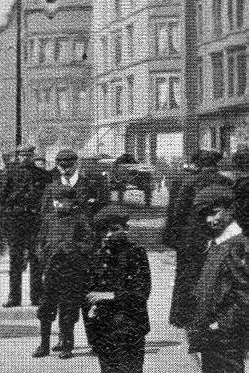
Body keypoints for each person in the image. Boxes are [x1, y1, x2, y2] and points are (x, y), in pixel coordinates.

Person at [187, 184, 249, 373]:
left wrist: (220, 325)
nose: (209, 220)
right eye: (204, 215)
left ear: (231, 209)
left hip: (225, 339)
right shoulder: (219, 244)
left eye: (214, 213)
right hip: (212, 337)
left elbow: (245, 297)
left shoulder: (237, 246)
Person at [166, 149, 229, 330]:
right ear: (216, 164)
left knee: (186, 275)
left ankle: (181, 316)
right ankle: (211, 315)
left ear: (199, 164)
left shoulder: (190, 182)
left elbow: (179, 212)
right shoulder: (226, 182)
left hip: (192, 236)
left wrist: (179, 236)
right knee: (216, 275)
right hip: (219, 234)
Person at [84, 206, 150, 373]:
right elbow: (91, 289)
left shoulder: (136, 253)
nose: (108, 234)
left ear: (126, 229)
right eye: (104, 230)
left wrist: (110, 296)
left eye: (114, 229)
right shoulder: (99, 255)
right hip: (104, 328)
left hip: (129, 327)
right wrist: (92, 306)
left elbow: (142, 292)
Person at [33, 183, 93, 359]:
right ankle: (44, 345)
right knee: (46, 307)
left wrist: (72, 248)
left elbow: (89, 242)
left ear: (71, 202)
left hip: (71, 271)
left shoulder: (79, 219)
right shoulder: (49, 219)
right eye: (55, 200)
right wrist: (44, 255)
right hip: (52, 269)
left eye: (62, 201)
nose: (57, 204)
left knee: (68, 308)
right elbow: (39, 242)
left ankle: (67, 345)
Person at [1, 144, 49, 307]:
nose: (25, 158)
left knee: (36, 259)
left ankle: (36, 295)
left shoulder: (42, 174)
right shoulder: (11, 173)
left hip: (35, 220)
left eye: (28, 155)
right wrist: (8, 215)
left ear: (33, 156)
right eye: (22, 155)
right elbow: (3, 197)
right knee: (15, 260)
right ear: (18, 156)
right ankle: (14, 296)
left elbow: (47, 198)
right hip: (16, 220)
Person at [42, 148, 108, 220]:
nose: (66, 170)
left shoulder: (89, 184)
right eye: (63, 166)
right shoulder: (51, 187)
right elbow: (45, 211)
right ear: (57, 166)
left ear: (76, 164)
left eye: (69, 166)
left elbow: (101, 206)